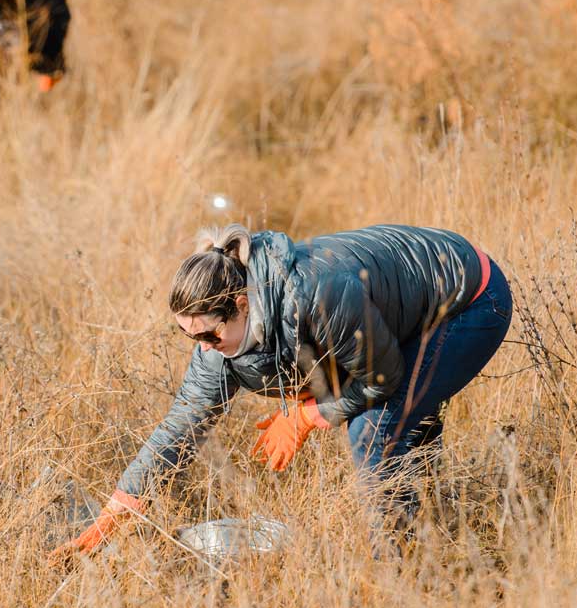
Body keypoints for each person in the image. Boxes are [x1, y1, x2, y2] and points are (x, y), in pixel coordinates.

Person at [53, 224, 513, 558]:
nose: (205, 349)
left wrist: (306, 417)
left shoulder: (315, 295)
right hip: (398, 321)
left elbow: (380, 378)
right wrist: (106, 523)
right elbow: (178, 431)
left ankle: (400, 571)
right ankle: (440, 534)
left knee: (372, 428)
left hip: (469, 300)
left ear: (240, 304)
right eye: (190, 338)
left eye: (209, 336)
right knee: (399, 423)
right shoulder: (222, 342)